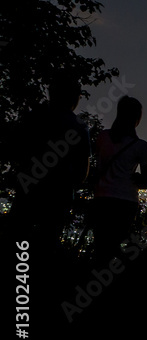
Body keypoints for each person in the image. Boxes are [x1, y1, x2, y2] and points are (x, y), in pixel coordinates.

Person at [8, 76, 91, 254]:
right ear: (75, 97)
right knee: (49, 242)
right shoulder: (79, 127)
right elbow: (82, 169)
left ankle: (20, 277)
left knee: (19, 238)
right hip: (59, 193)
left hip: (28, 187)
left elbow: (16, 149)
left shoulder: (33, 117)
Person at [91, 96, 147, 267]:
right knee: (116, 245)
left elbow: (97, 167)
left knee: (100, 245)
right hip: (125, 201)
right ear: (137, 118)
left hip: (102, 197)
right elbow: (145, 181)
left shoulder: (102, 137)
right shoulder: (141, 146)